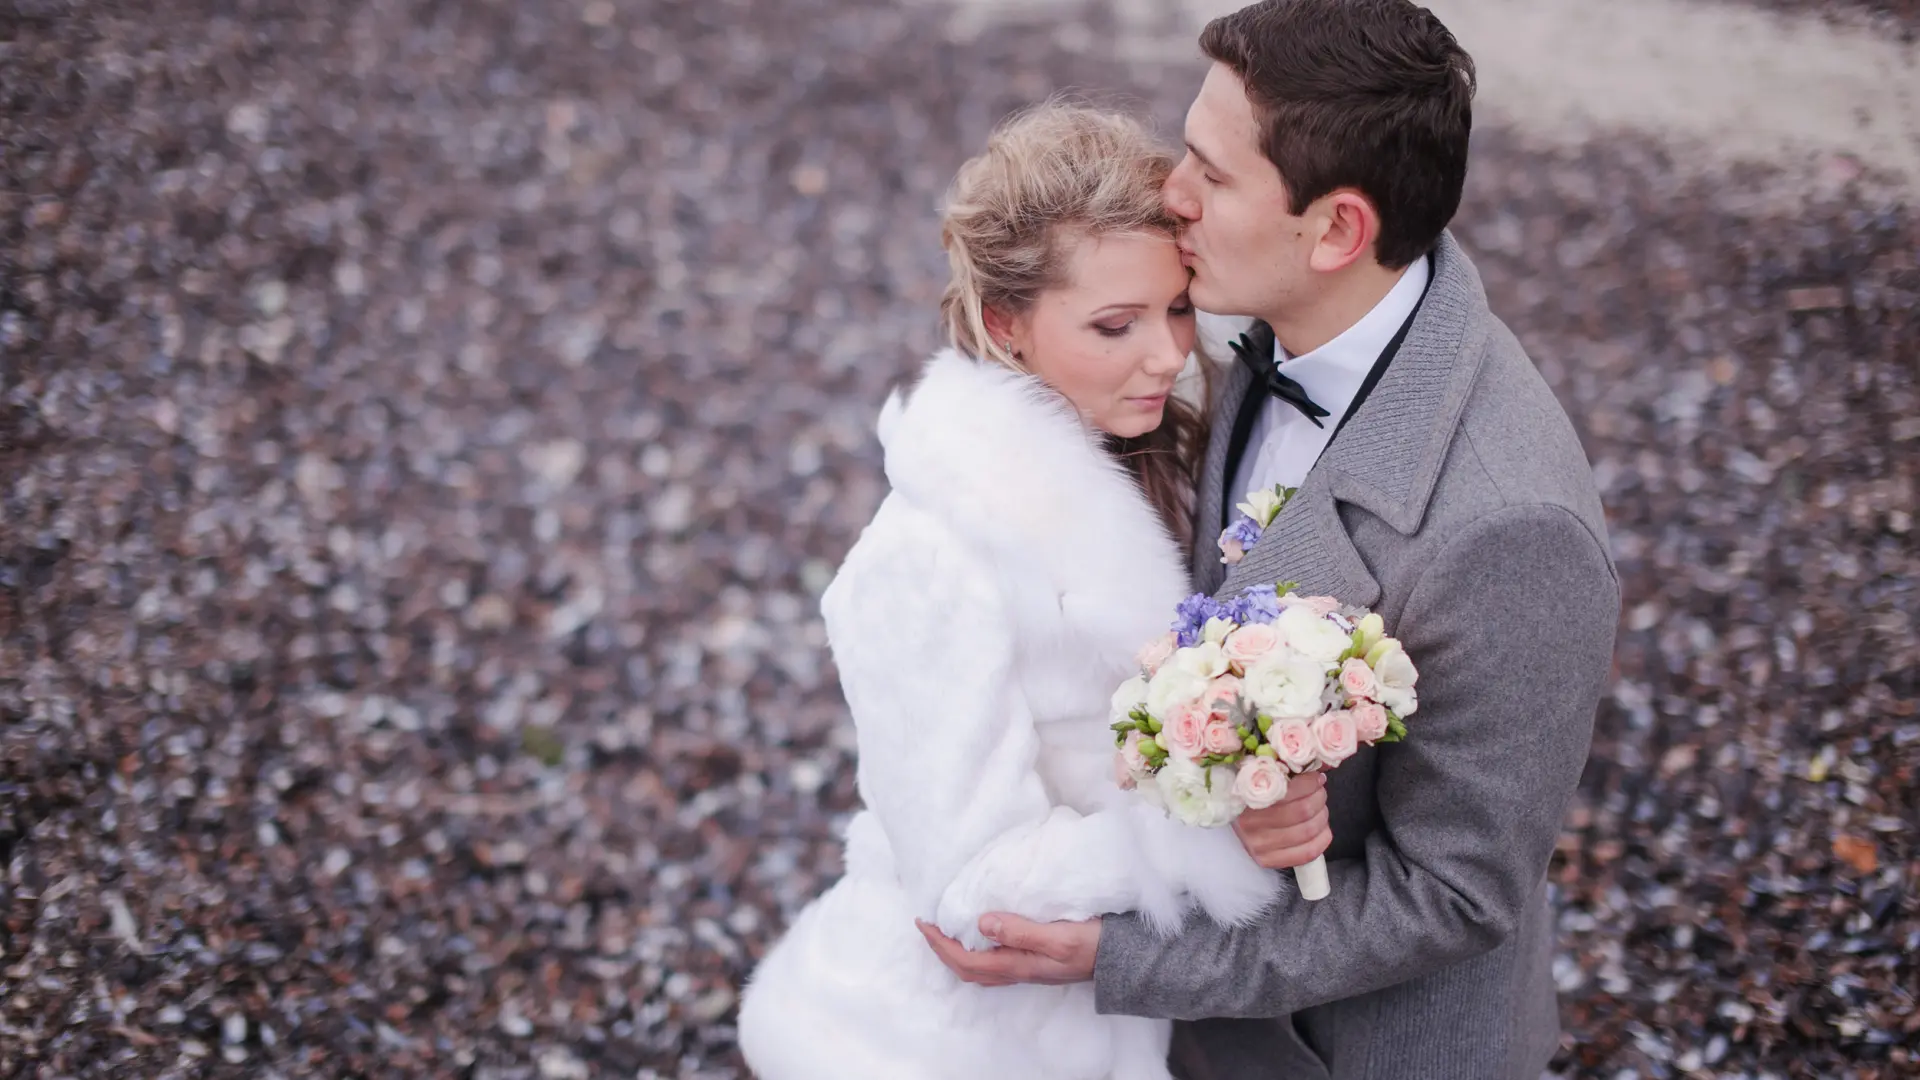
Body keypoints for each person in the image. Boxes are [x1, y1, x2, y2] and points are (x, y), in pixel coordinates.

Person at [918, 4, 1622, 1079]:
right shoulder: (1266, 306)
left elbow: (1451, 895)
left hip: (1346, 1049)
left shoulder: (1513, 528)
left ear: (1337, 229)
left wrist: (1130, 958)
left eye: (1211, 169)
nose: (1172, 195)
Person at [735, 103, 1323, 1080]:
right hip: (945, 1041)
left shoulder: (1154, 457)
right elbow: (974, 884)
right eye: (1114, 324)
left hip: (1105, 1026)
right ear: (1007, 325)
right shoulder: (926, 561)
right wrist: (1222, 826)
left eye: (1178, 308)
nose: (1169, 354)